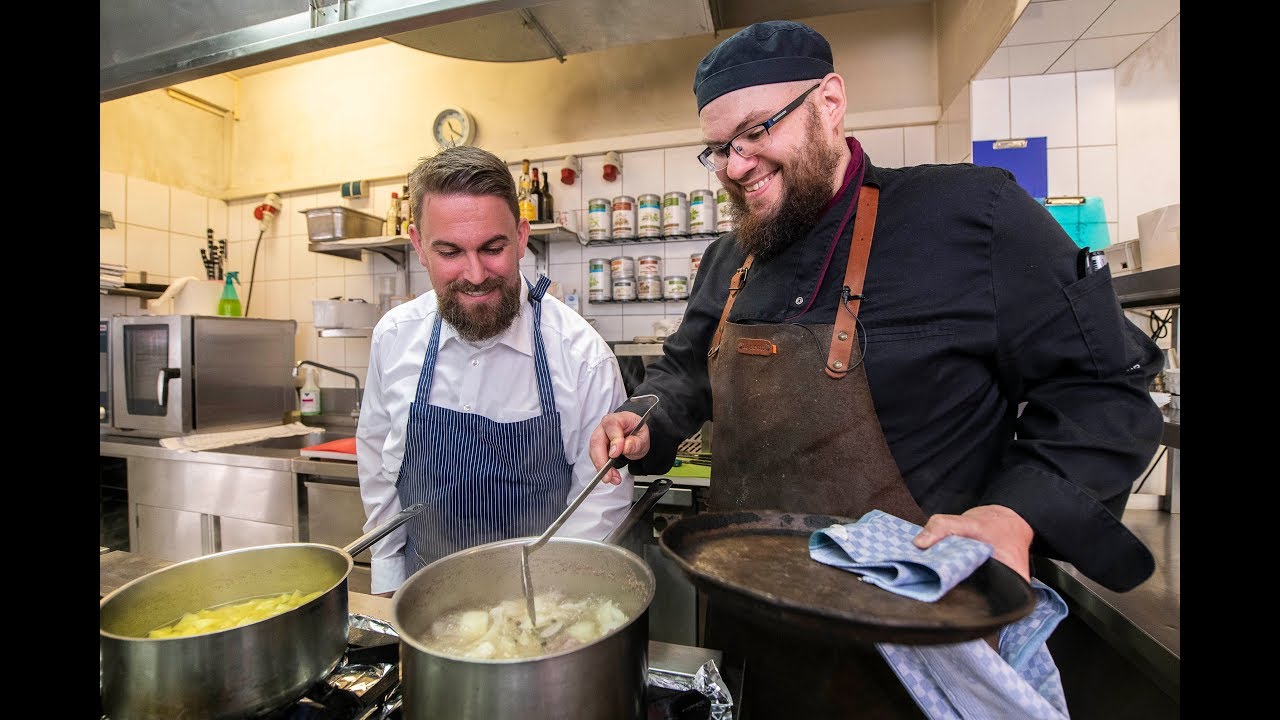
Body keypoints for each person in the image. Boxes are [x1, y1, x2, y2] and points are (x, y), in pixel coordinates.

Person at [589, 20, 1164, 718]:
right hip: (753, 632)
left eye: (756, 132)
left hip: (915, 649)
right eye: (718, 149)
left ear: (829, 102)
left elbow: (1104, 390)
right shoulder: (728, 261)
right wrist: (644, 418)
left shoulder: (970, 217)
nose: (735, 165)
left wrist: (1016, 514)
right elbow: (684, 373)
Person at [357, 145, 634, 597]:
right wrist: (388, 579)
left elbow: (600, 503)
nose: (475, 274)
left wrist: (547, 613)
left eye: (493, 248)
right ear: (418, 246)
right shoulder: (393, 338)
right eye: (449, 251)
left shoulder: (582, 356)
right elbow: (377, 467)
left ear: (521, 237)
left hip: (540, 604)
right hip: (423, 597)